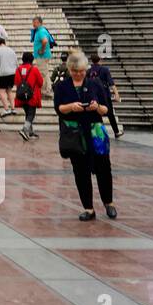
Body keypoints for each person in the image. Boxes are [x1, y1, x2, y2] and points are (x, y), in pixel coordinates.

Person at [55, 49, 115, 221]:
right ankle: (88, 208)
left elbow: (106, 109)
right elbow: (59, 108)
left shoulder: (95, 83)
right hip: (75, 134)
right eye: (75, 72)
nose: (79, 74)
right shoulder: (62, 86)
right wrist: (71, 106)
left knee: (104, 168)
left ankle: (108, 203)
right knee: (81, 171)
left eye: (81, 71)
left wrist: (96, 107)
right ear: (69, 70)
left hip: (95, 132)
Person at [87, 53, 121, 137]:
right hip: (104, 94)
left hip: (93, 95)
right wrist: (116, 94)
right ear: (100, 60)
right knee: (110, 114)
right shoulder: (105, 69)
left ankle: (98, 131)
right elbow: (111, 83)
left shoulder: (88, 71)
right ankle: (116, 132)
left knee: (96, 114)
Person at [14, 51, 43, 141]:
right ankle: (24, 130)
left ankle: (30, 132)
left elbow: (16, 82)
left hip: (21, 95)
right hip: (32, 96)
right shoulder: (34, 69)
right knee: (31, 114)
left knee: (28, 113)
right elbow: (41, 82)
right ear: (32, 59)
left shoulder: (18, 69)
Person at [30, 16, 56, 95]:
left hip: (42, 56)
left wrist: (42, 50)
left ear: (39, 23)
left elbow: (45, 41)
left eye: (35, 22)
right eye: (33, 22)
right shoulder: (40, 30)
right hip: (42, 55)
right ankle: (45, 88)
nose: (33, 24)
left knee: (43, 72)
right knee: (44, 72)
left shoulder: (41, 31)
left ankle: (47, 89)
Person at [0, 39, 19, 117]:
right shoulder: (11, 50)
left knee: (1, 91)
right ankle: (13, 108)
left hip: (2, 73)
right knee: (9, 90)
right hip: (12, 73)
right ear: (4, 43)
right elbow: (16, 62)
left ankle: (6, 109)